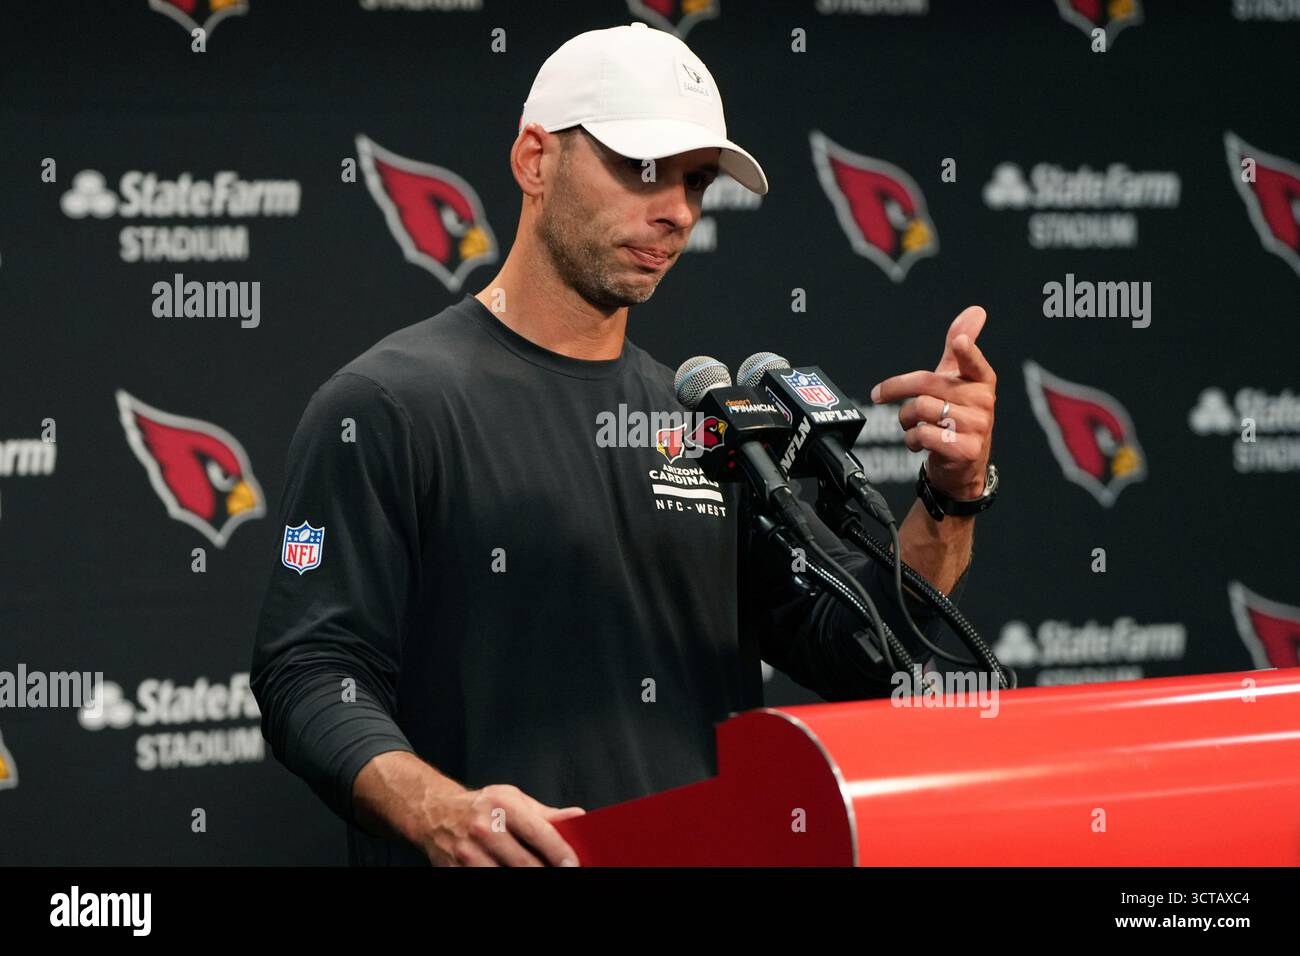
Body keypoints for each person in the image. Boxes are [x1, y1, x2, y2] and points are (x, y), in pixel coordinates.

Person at [250, 22, 998, 867]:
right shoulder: (387, 404)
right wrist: (440, 811)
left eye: (696, 181)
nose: (676, 209)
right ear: (535, 160)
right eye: (642, 168)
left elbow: (867, 659)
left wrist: (950, 494)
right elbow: (308, 670)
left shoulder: (704, 419)